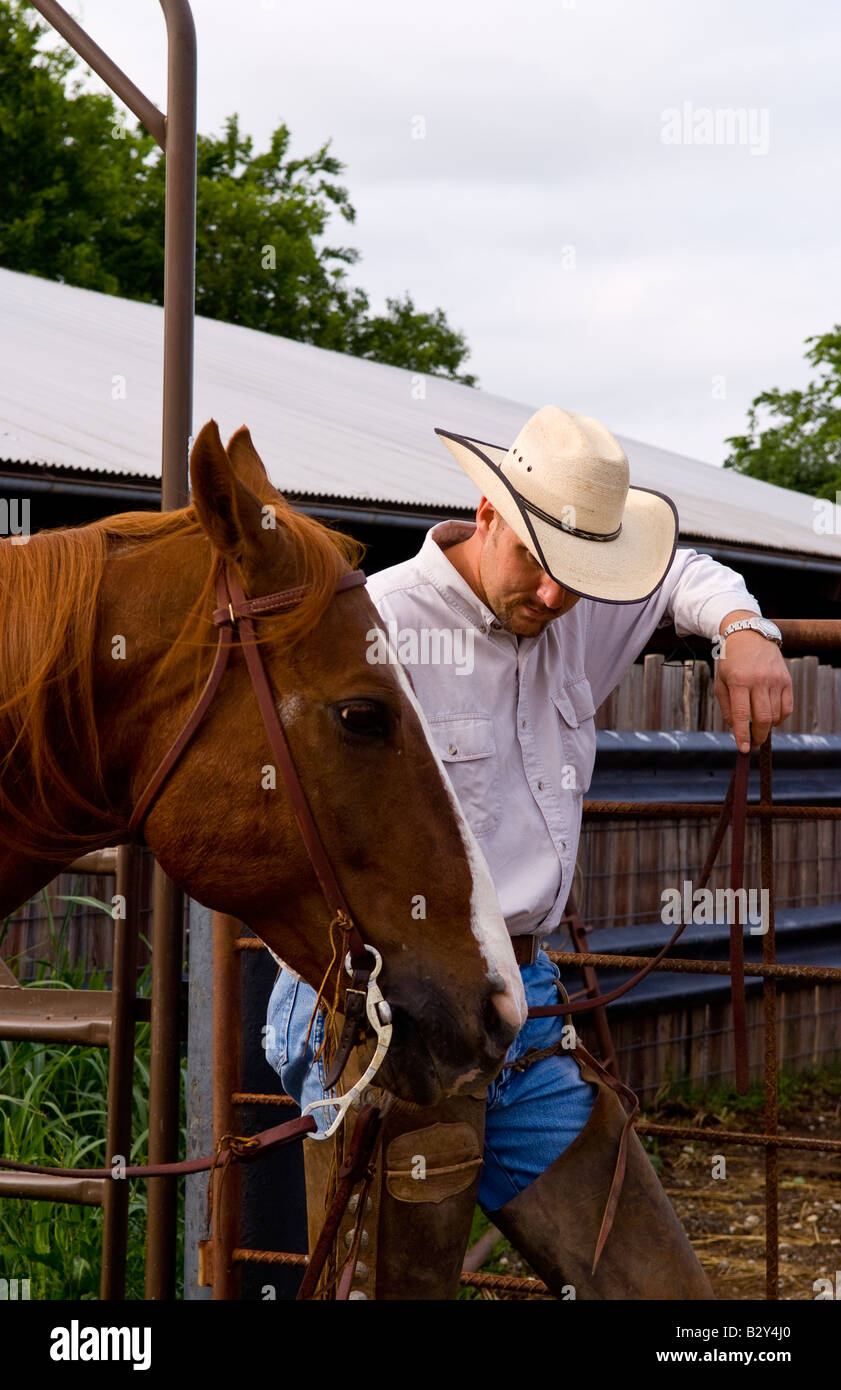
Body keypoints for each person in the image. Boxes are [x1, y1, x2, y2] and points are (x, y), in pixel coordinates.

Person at [264, 404, 793, 1300]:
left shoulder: (573, 610)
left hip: (528, 1007)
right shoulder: (378, 630)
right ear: (485, 516)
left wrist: (743, 629)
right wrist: (368, 991)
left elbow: (679, 574)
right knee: (398, 1291)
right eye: (540, 566)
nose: (555, 598)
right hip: (396, 1001)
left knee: (662, 1295)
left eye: (581, 578)